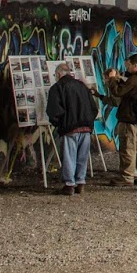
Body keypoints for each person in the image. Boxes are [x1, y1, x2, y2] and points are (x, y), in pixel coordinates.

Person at [46, 62, 98, 196]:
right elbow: (94, 108)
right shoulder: (82, 86)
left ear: (58, 74)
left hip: (69, 128)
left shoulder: (57, 88)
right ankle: (80, 182)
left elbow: (54, 110)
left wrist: (58, 123)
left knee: (69, 156)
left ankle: (69, 184)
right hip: (86, 127)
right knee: (82, 156)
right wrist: (89, 121)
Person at [103, 54, 137, 187]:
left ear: (135, 65)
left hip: (129, 119)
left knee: (127, 148)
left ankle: (127, 176)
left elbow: (118, 92)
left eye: (129, 65)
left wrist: (113, 78)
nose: (127, 68)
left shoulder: (135, 79)